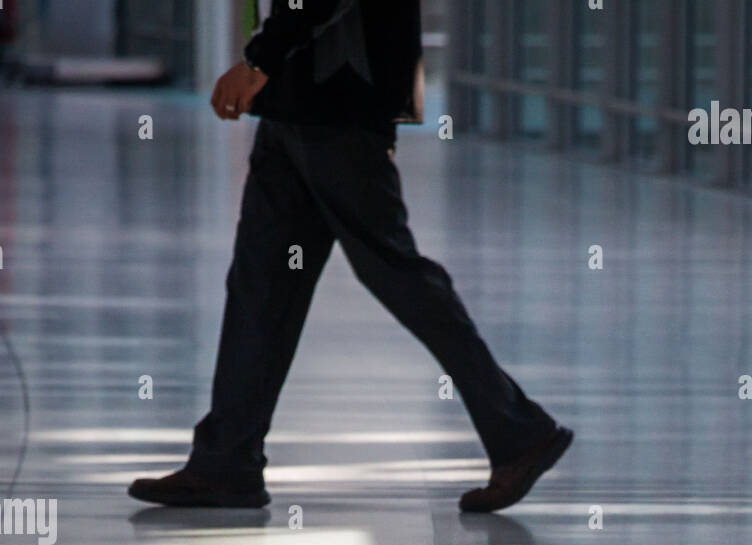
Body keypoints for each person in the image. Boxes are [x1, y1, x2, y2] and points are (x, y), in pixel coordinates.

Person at [129, 0, 572, 515]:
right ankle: (225, 462)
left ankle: (518, 432)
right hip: (296, 105)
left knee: (394, 271)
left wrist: (258, 61)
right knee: (262, 282)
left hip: (339, 105)